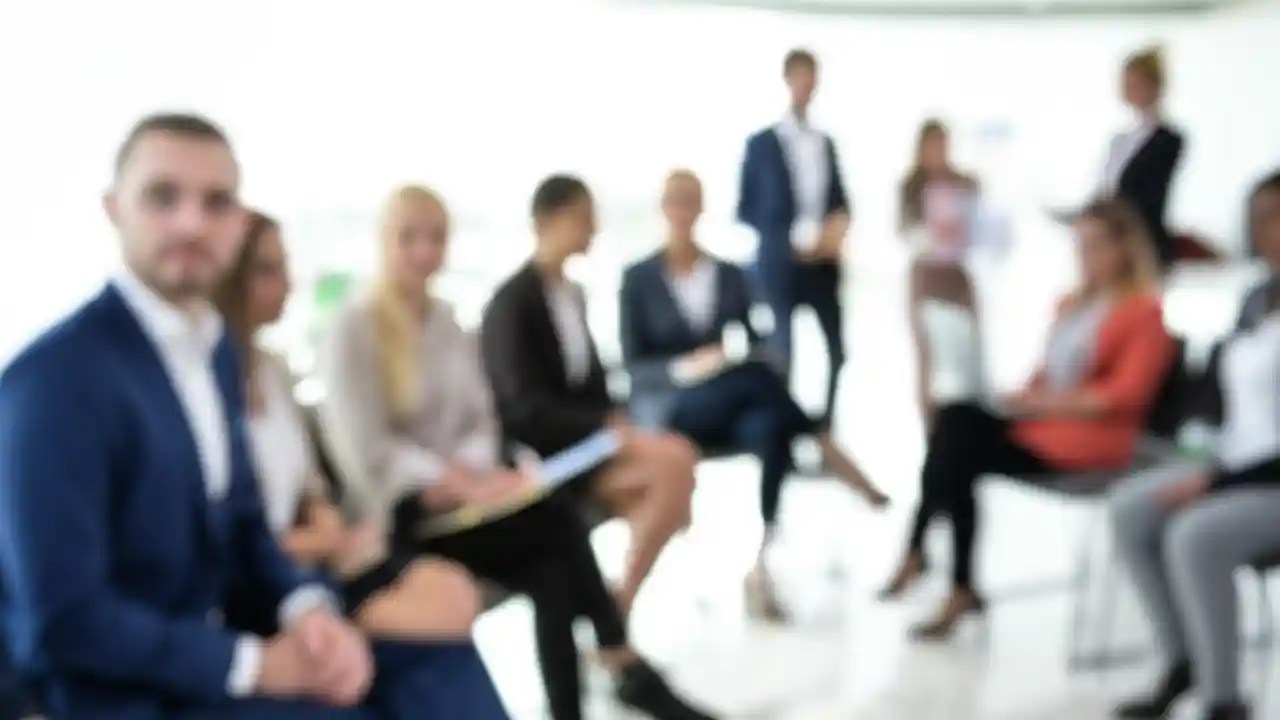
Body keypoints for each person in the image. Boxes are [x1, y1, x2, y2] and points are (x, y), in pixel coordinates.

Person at [0, 114, 507, 719]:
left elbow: (241, 523)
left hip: (229, 633)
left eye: (216, 203)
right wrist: (254, 663)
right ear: (115, 209)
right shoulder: (56, 378)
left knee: (440, 660)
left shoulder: (212, 352)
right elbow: (64, 619)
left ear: (239, 223)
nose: (191, 222)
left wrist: (308, 612)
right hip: (125, 688)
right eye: (163, 197)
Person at [320, 185, 715, 720]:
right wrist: (451, 478)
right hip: (403, 514)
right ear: (384, 241)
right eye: (409, 237)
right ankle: (621, 656)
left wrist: (478, 475)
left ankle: (582, 698)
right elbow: (365, 449)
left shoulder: (445, 320)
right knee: (557, 520)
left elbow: (481, 417)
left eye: (436, 237)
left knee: (552, 572)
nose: (424, 251)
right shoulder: (354, 327)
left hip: (469, 503)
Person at [880, 198, 1175, 640]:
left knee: (957, 438)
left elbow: (1123, 397)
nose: (1084, 257)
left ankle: (925, 557)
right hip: (1043, 427)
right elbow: (1045, 376)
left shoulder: (1144, 312)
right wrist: (1018, 397)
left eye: (1094, 246)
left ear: (1123, 249)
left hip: (1094, 443)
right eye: (1079, 246)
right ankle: (949, 575)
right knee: (956, 422)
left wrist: (1044, 403)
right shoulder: (1071, 305)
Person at [620, 169, 888, 620]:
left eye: (691, 200)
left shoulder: (726, 274)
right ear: (664, 208)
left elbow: (756, 344)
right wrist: (688, 366)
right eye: (675, 200)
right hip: (673, 405)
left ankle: (761, 559)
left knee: (771, 425)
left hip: (730, 398)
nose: (683, 210)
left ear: (701, 208)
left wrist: (727, 358)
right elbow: (634, 366)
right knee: (761, 387)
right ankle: (824, 443)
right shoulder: (638, 278)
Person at [215, 208, 488, 642]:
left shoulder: (272, 368)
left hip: (328, 546)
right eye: (268, 270)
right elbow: (227, 534)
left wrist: (329, 527)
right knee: (435, 626)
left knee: (455, 595)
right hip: (273, 572)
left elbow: (310, 486)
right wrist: (328, 542)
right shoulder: (208, 387)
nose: (289, 283)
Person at [480, 174, 701, 621]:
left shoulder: (572, 295)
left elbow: (592, 383)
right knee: (673, 472)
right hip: (549, 452)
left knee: (675, 469)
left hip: (590, 442)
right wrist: (601, 427)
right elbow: (522, 406)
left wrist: (612, 419)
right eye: (583, 218)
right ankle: (611, 612)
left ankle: (612, 607)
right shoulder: (511, 303)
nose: (592, 228)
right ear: (548, 221)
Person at [1107, 174, 1280, 720]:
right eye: (1257, 216)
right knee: (1131, 507)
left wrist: (1215, 483)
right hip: (1232, 463)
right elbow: (1220, 391)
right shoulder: (1257, 298)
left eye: (1274, 215)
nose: (1262, 229)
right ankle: (1182, 659)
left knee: (1193, 534)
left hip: (1268, 481)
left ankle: (1223, 699)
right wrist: (1196, 444)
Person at [736, 48, 850, 426]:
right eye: (801, 77)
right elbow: (746, 207)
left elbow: (840, 201)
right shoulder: (762, 144)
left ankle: (826, 427)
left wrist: (831, 234)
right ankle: (782, 427)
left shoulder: (825, 143)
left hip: (821, 262)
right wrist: (783, 239)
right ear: (788, 79)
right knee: (784, 349)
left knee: (836, 350)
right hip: (780, 261)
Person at [899, 119, 985, 428]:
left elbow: (984, 226)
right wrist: (934, 235)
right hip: (926, 275)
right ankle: (932, 429)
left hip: (958, 274)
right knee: (928, 358)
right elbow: (905, 233)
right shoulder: (911, 188)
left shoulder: (965, 184)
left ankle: (969, 426)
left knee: (970, 354)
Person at [1097, 46, 1184, 269]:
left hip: (1144, 244)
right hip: (1115, 241)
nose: (1130, 89)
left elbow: (1146, 196)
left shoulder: (1168, 139)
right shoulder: (1120, 140)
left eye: (1136, 83)